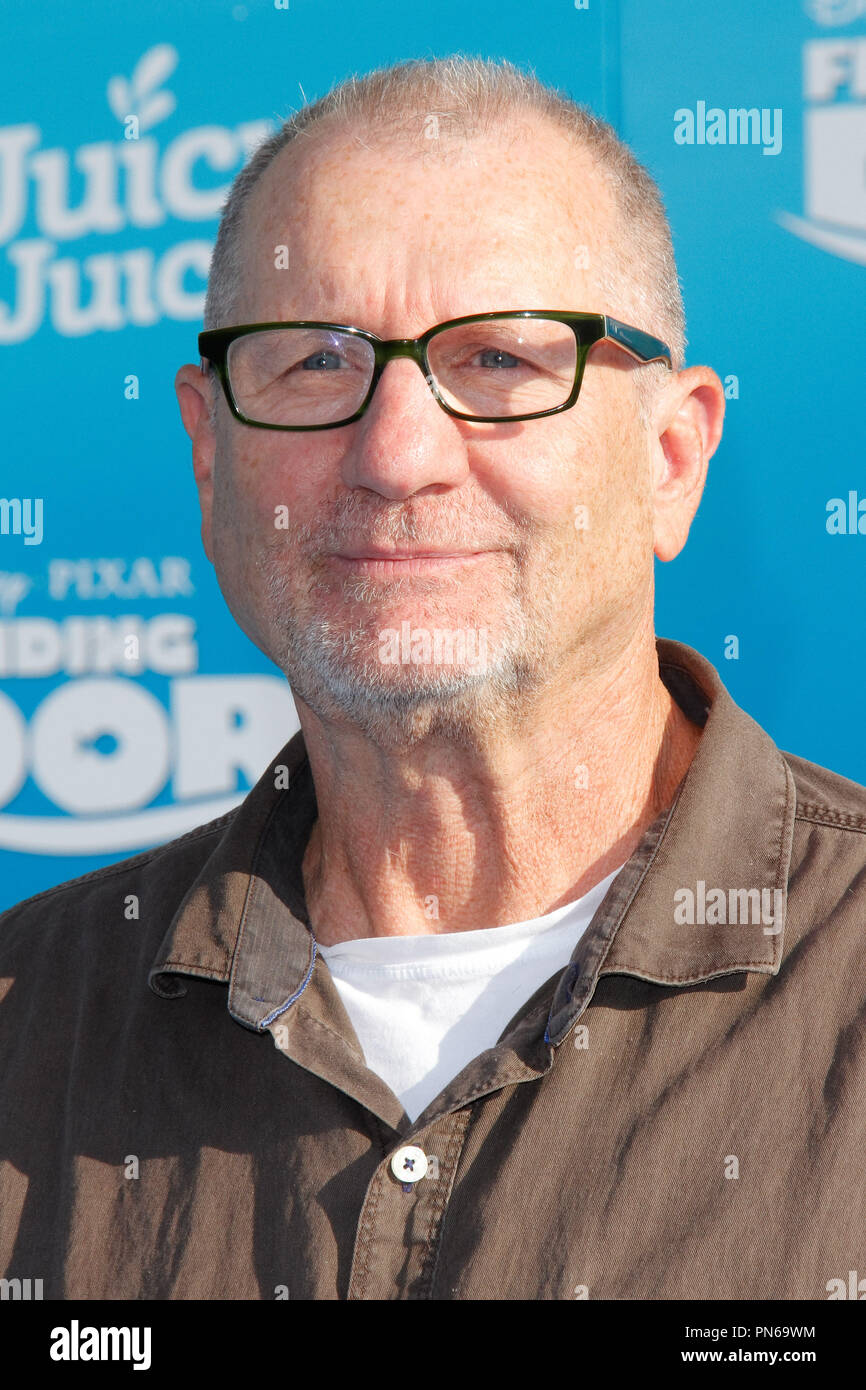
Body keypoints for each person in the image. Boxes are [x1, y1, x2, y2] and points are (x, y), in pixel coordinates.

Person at [1, 55, 863, 1302]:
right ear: (206, 452)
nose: (396, 454)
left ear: (670, 458)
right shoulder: (28, 1026)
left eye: (502, 362)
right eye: (313, 365)